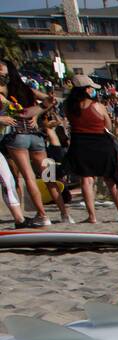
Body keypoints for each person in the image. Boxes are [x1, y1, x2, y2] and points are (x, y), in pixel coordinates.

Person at [1, 60, 62, 226]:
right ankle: (62, 213)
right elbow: (49, 100)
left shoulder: (5, 91)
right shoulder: (21, 89)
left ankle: (31, 217)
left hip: (18, 136)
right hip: (33, 136)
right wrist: (38, 112)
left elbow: (21, 113)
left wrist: (37, 109)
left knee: (16, 179)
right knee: (45, 175)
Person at [63, 74, 118, 223]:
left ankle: (92, 216)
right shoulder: (98, 106)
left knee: (86, 180)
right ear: (86, 89)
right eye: (91, 88)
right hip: (101, 144)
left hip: (80, 144)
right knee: (111, 180)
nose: (93, 90)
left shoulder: (68, 106)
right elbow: (108, 126)